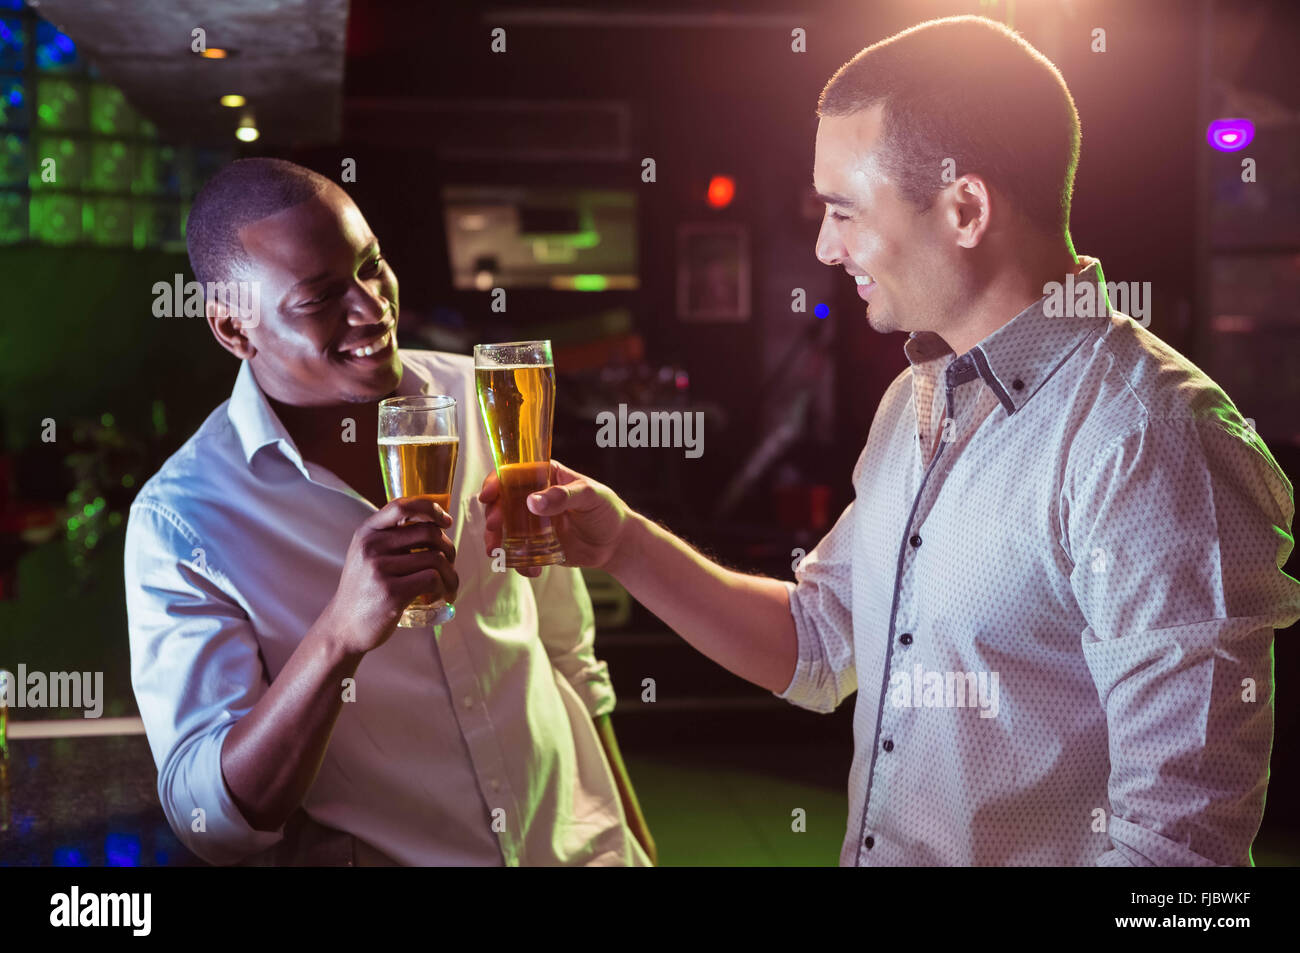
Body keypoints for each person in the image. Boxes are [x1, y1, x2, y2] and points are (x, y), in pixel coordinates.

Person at [480, 15, 1300, 866]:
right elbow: (820, 642)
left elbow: (1180, 863)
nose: (826, 246)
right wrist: (623, 542)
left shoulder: (1152, 442)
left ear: (965, 207)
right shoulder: (915, 398)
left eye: (843, 211)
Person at [124, 157, 654, 866]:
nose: (372, 307)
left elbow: (567, 653)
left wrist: (635, 841)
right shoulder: (181, 520)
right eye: (319, 297)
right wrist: (339, 634)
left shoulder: (487, 399)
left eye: (371, 265)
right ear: (235, 331)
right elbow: (209, 821)